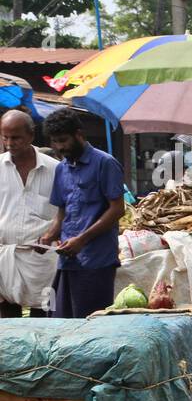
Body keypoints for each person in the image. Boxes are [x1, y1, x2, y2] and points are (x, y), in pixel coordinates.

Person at [39, 109, 125, 319]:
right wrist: (49, 236)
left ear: (79, 134)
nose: (59, 147)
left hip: (97, 260)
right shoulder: (61, 169)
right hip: (68, 260)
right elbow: (62, 212)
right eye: (55, 142)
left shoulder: (105, 163)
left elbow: (117, 209)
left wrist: (82, 240)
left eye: (63, 140)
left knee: (91, 324)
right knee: (62, 322)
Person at [0, 110, 58, 318]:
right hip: (5, 254)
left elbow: (66, 210)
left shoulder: (56, 169)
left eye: (15, 137)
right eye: (5, 137)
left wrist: (54, 234)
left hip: (43, 258)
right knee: (6, 318)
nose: (9, 143)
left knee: (46, 316)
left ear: (31, 136)